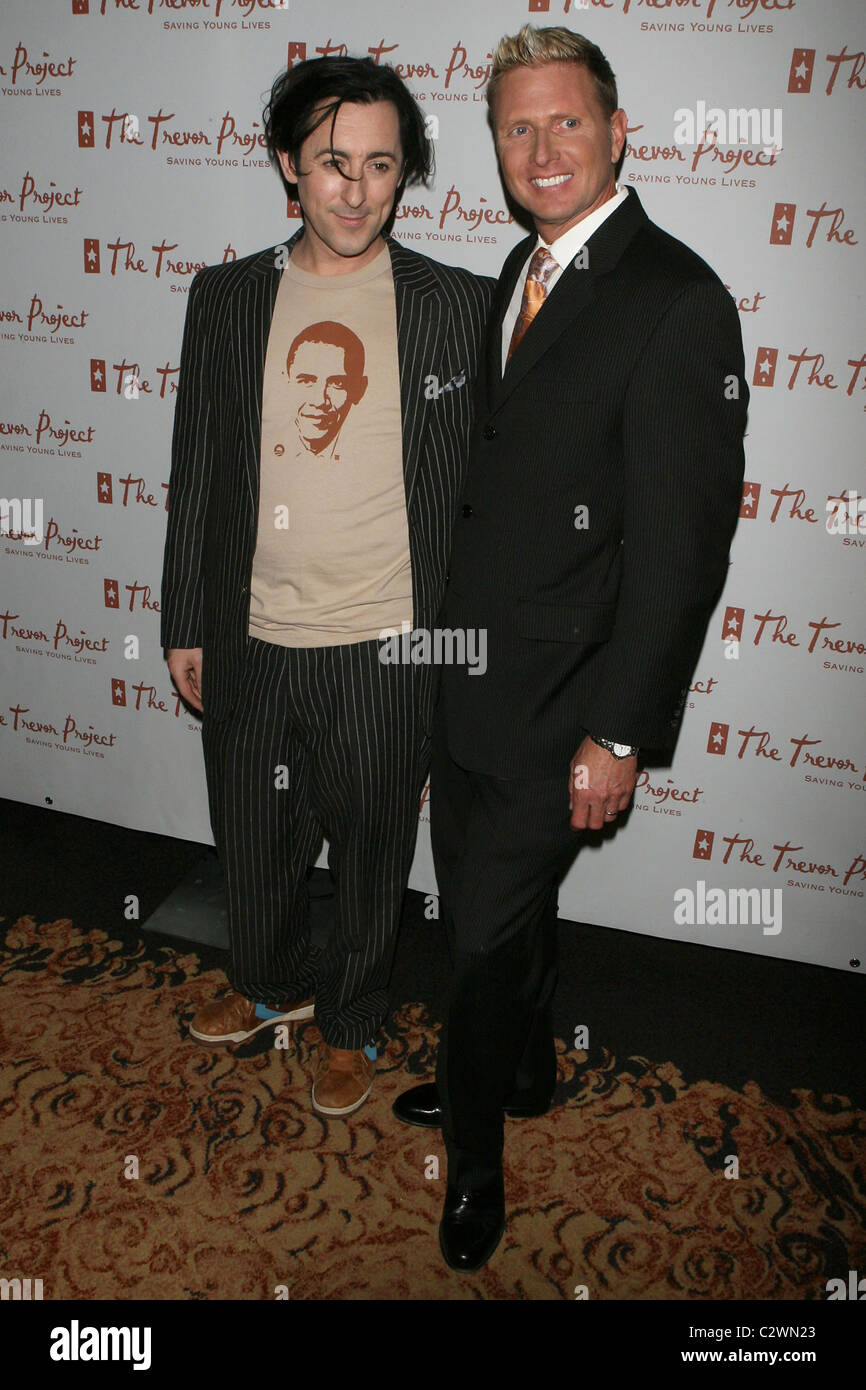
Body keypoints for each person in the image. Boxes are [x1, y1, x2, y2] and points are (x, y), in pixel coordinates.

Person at [393, 24, 749, 1270]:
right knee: (504, 912)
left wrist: (617, 732)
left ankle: (476, 1155)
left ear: (614, 131)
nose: (540, 148)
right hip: (471, 684)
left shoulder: (675, 299)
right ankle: (530, 1070)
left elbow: (678, 554)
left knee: (478, 940)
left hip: (567, 707)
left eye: (565, 122)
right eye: (514, 127)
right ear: (492, 144)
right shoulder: (516, 268)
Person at [160, 55, 493, 1118]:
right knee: (251, 842)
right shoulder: (224, 298)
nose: (355, 189)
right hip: (251, 634)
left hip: (388, 643)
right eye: (332, 163)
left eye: (380, 166)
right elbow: (198, 470)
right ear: (287, 170)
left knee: (371, 849)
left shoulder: (457, 309)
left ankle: (351, 1021)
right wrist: (184, 621)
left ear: (403, 178)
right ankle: (267, 988)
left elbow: (493, 504)